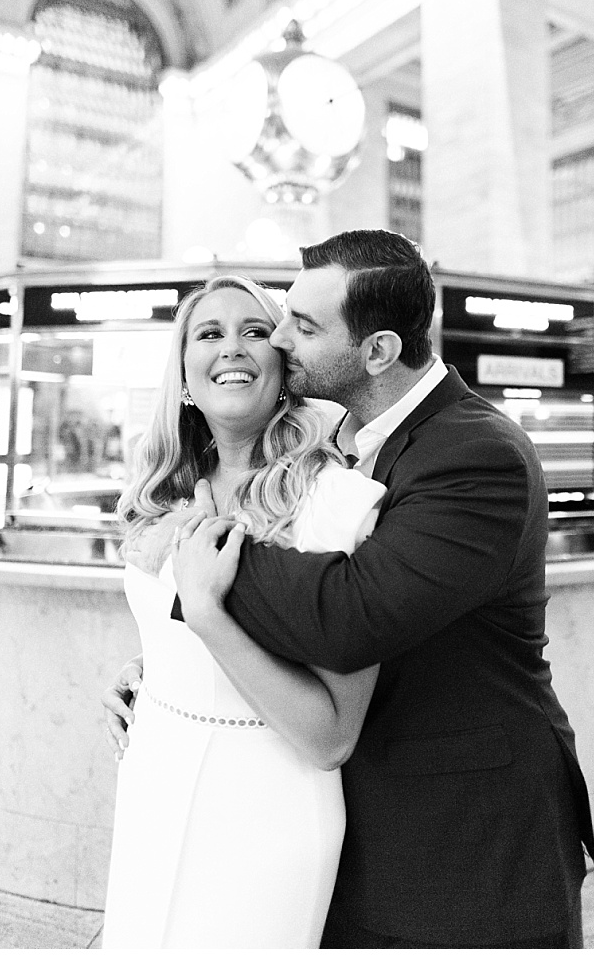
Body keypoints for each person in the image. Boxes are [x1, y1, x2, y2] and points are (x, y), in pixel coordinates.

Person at [104, 230, 594, 947]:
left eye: (298, 327)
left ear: (377, 353)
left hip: (467, 818)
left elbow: (351, 613)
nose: (275, 339)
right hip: (247, 787)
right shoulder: (360, 444)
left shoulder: (473, 453)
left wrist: (189, 558)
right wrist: (169, 668)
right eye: (212, 333)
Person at [102, 275, 386, 947]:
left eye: (255, 331)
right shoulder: (166, 492)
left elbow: (330, 738)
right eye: (210, 333)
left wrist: (208, 619)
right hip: (152, 777)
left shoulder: (340, 505)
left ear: (285, 367)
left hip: (270, 809)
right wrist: (149, 667)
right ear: (185, 376)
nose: (233, 347)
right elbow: (185, 632)